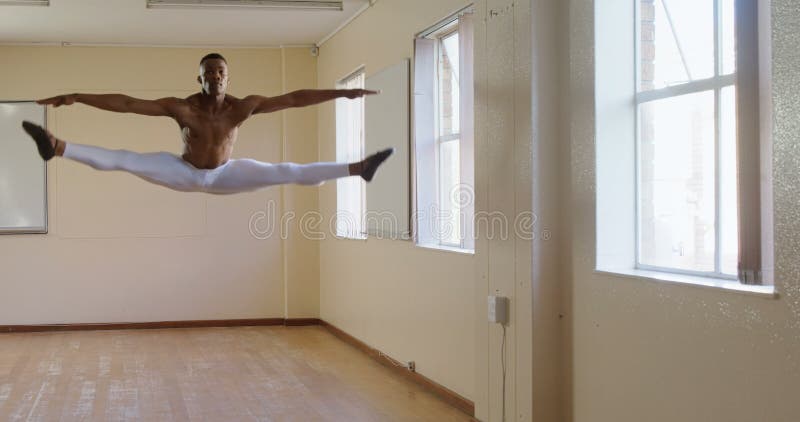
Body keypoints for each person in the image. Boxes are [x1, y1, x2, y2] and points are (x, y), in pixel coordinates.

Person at [21, 53, 393, 195]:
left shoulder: (243, 107)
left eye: (220, 72)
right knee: (125, 159)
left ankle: (359, 168)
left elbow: (293, 98)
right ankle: (56, 147)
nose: (215, 77)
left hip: (227, 174)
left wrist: (341, 94)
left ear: (227, 77)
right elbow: (129, 104)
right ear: (199, 78)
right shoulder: (182, 108)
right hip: (182, 171)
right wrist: (77, 96)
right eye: (208, 73)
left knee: (287, 170)